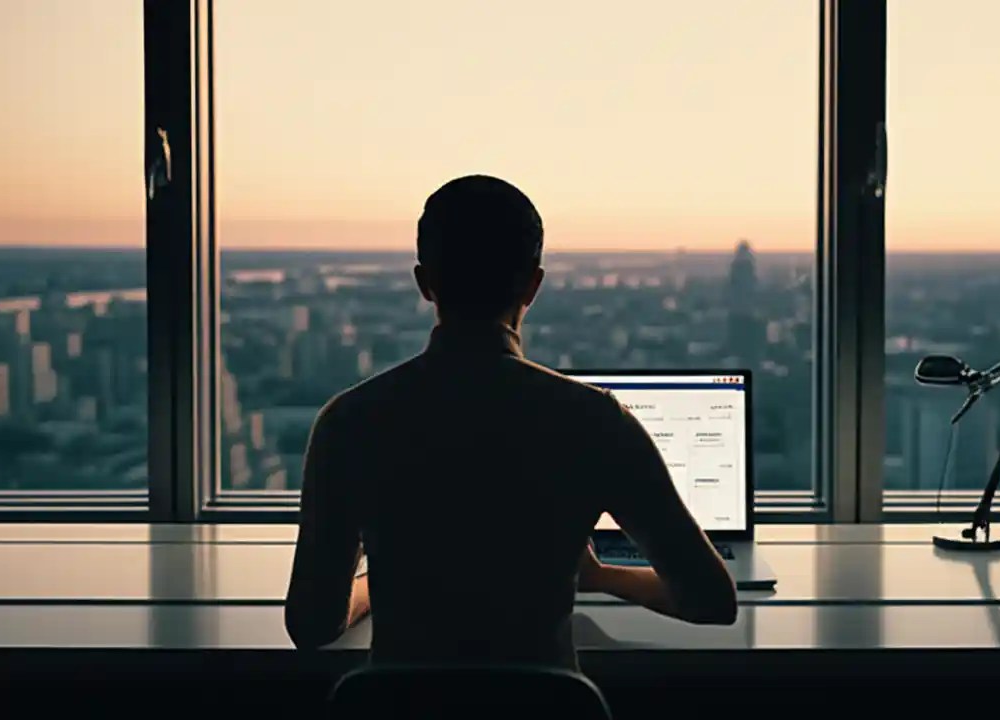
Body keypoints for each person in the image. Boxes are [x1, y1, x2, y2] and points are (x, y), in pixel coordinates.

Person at [284, 174, 737, 669]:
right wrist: (602, 576)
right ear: (533, 285)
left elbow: (312, 623)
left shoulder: (349, 423)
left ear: (424, 283)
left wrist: (382, 582)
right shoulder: (595, 421)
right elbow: (711, 601)